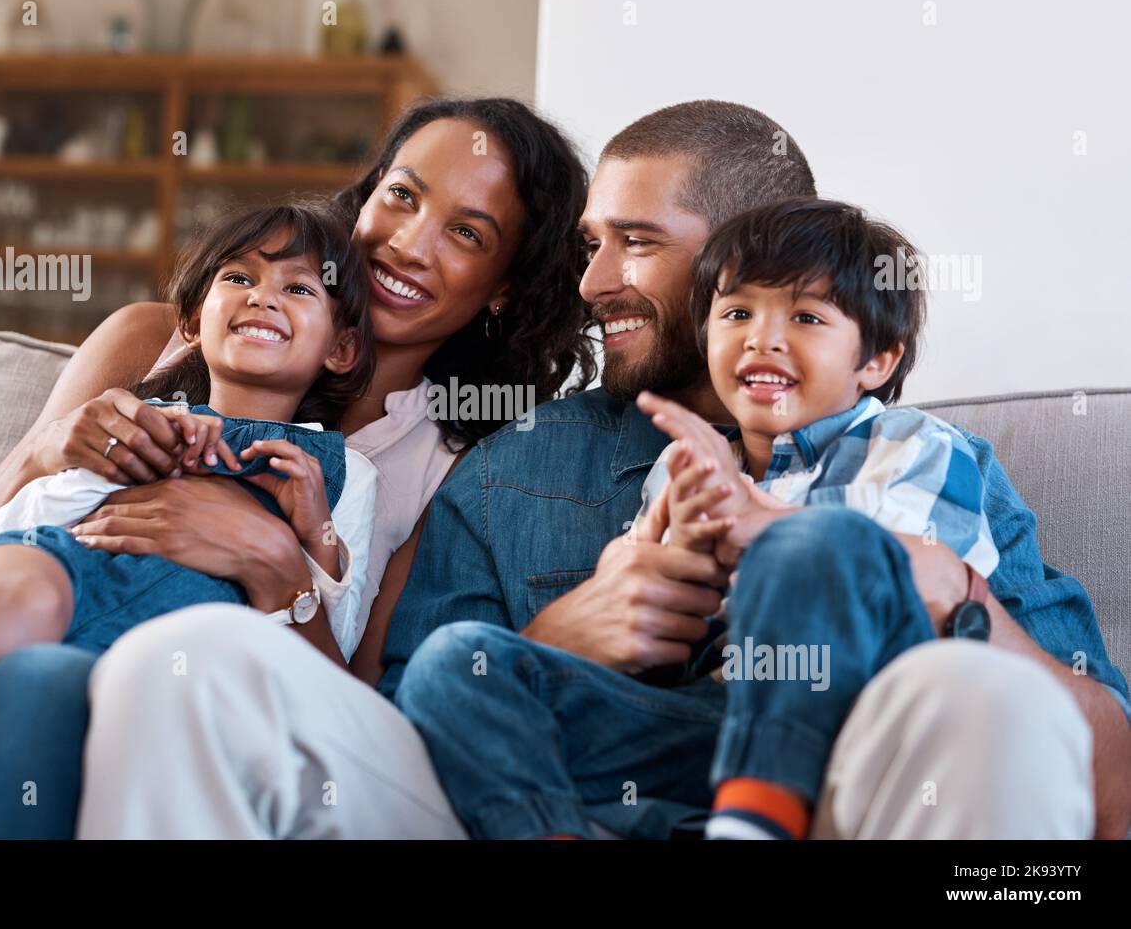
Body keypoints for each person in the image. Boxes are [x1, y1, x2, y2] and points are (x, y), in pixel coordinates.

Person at [79, 101, 1131, 840]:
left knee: (988, 695)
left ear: (740, 258)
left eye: (633, 243)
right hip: (542, 799)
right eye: (588, 244)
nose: (589, 282)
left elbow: (1103, 761)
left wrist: (946, 592)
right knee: (192, 660)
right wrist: (557, 637)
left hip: (833, 795)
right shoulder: (515, 466)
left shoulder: (923, 465)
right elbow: (386, 725)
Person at [0, 96, 594, 838]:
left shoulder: (460, 464)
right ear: (370, 191)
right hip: (37, 615)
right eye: (403, 195)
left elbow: (358, 709)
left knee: (39, 685)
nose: (410, 245)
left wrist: (274, 561)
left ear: (506, 285)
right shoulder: (150, 339)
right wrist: (40, 452)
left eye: (466, 233)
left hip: (195, 714)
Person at [396, 198, 1006, 839]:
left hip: (853, 726)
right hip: (702, 728)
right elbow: (658, 652)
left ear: (876, 360)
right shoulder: (684, 468)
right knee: (452, 661)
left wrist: (755, 524)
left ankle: (757, 815)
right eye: (737, 313)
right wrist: (673, 559)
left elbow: (891, 586)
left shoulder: (912, 446)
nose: (762, 338)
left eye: (805, 316)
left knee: (817, 546)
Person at [0, 202, 379, 839]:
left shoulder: (345, 473)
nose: (263, 297)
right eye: (239, 278)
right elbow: (16, 527)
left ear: (341, 348)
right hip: (55, 570)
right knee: (22, 594)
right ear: (193, 321)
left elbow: (327, 641)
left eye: (299, 288)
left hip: (148, 644)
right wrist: (121, 462)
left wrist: (314, 538)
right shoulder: (130, 418)